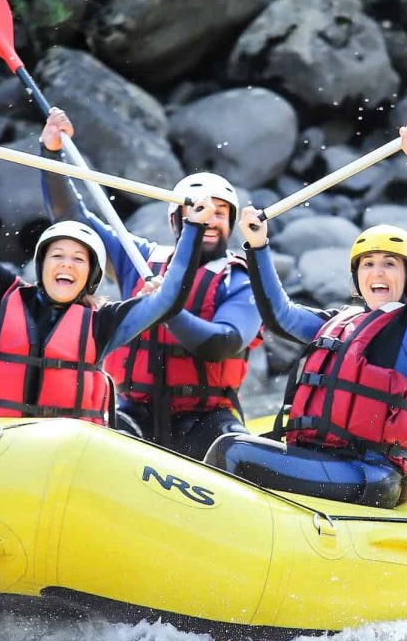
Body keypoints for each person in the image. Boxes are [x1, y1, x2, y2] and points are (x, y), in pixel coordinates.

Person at [205, 124, 407, 508]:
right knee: (232, 445)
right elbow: (280, 316)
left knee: (231, 452)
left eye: (390, 264)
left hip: (369, 474)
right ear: (356, 276)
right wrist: (259, 246)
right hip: (321, 460)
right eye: (368, 264)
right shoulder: (340, 324)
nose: (378, 273)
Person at [0, 127, 214, 427]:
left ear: (91, 276)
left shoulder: (103, 322)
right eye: (57, 256)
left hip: (62, 454)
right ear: (41, 266)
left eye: (78, 259)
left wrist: (193, 228)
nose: (67, 265)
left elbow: (168, 297)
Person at [38, 109, 262, 459]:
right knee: (87, 440)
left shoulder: (240, 279)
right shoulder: (138, 259)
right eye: (201, 211)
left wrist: (163, 304)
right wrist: (51, 152)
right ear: (177, 220)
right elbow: (73, 220)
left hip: (205, 418)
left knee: (233, 453)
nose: (212, 220)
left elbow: (221, 344)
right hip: (135, 409)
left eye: (221, 213)